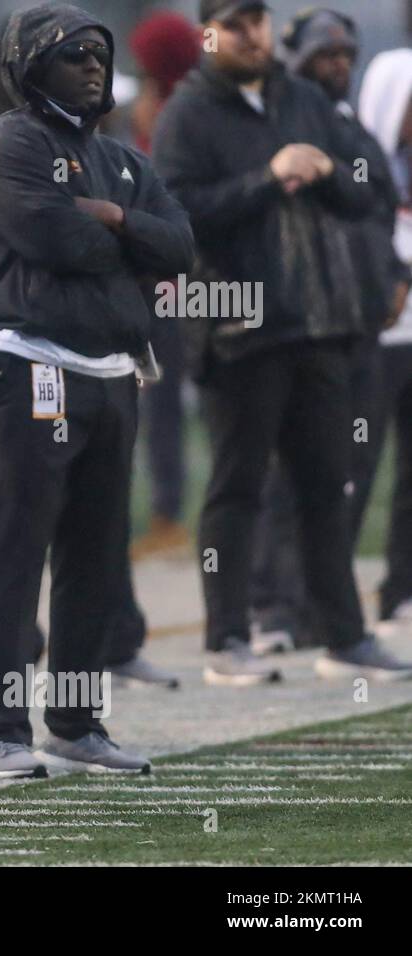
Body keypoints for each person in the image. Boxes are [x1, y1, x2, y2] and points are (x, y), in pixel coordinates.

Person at [152, 0, 412, 685]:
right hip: (239, 330)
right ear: (209, 32)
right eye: (235, 22)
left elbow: (370, 186)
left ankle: (343, 636)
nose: (251, 33)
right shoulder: (190, 112)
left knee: (327, 485)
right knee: (237, 489)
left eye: (259, 19)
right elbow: (178, 217)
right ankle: (227, 639)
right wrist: (268, 177)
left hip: (318, 324)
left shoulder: (302, 98)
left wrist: (325, 171)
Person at [0, 2, 192, 779]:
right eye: (72, 54)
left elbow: (181, 247)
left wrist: (119, 218)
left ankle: (76, 719)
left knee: (96, 555)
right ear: (31, 64)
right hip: (32, 363)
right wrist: (127, 241)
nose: (93, 66)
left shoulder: (120, 158)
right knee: (20, 547)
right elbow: (56, 240)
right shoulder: (7, 144)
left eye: (99, 53)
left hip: (112, 371)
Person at [249, 9, 410, 654]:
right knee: (323, 472)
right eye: (325, 53)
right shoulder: (299, 127)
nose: (337, 64)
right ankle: (278, 606)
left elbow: (368, 210)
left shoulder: (352, 143)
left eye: (346, 53)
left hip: (376, 328)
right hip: (328, 332)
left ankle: (382, 595)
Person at [126, 10, 202, 561]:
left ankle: (168, 513)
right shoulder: (186, 103)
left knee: (161, 403)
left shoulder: (167, 112)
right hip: (188, 286)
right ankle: (169, 513)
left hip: (163, 289)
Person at [360, 49, 412, 631]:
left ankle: (401, 587)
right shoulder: (359, 164)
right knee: (355, 467)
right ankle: (316, 604)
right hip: (374, 337)